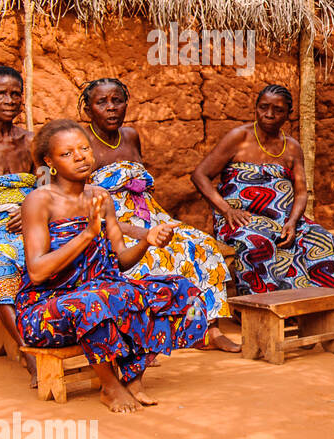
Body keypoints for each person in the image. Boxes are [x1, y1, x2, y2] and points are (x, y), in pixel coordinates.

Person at [17, 119, 208, 413]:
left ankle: (134, 376)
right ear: (49, 161)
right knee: (95, 302)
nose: (80, 156)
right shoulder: (39, 201)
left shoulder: (100, 197)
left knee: (185, 292)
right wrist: (87, 235)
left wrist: (147, 241)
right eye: (67, 153)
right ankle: (109, 385)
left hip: (104, 294)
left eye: (83, 148)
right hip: (48, 310)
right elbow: (38, 271)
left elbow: (119, 260)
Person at [80, 77, 240, 353]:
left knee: (203, 247)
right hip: (112, 223)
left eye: (117, 101)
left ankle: (208, 330)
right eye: (102, 102)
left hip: (151, 214)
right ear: (87, 109)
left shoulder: (130, 136)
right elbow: (80, 201)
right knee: (152, 255)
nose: (111, 108)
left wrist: (155, 224)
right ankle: (149, 336)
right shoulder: (82, 145)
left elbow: (141, 187)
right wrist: (140, 232)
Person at [192, 84, 334, 293]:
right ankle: (261, 307)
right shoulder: (239, 137)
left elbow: (300, 192)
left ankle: (316, 305)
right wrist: (226, 210)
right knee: (257, 242)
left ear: (289, 114)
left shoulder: (292, 147)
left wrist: (292, 222)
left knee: (320, 238)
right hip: (241, 219)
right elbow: (199, 175)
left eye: (278, 110)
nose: (269, 115)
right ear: (256, 108)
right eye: (263, 107)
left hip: (285, 220)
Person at [0, 66, 37, 385]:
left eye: (15, 93)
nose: (10, 100)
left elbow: (51, 186)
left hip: (32, 218)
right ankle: (30, 352)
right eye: (0, 93)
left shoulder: (32, 141)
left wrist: (31, 208)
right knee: (2, 261)